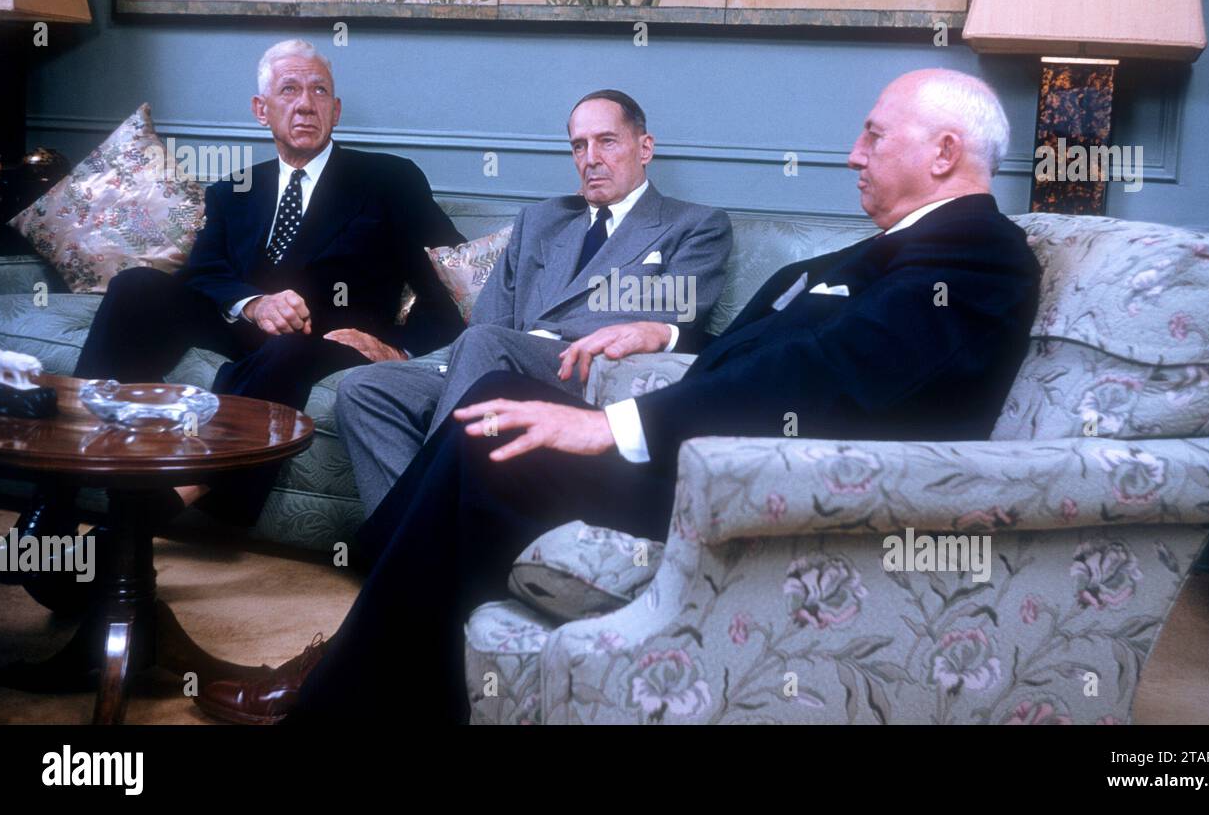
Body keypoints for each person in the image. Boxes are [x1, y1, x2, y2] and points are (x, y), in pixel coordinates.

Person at [194, 68, 1042, 724]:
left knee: (499, 437)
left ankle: (340, 696)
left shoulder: (977, 258)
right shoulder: (866, 255)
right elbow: (747, 353)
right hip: (713, 449)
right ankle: (391, 660)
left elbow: (826, 377)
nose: (853, 153)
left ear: (941, 151)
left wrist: (612, 425)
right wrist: (662, 342)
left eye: (873, 134)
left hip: (767, 488)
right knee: (495, 394)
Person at [72, 39, 465, 524]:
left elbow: (452, 282)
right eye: (289, 90)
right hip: (245, 327)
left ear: (335, 110)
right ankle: (66, 479)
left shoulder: (389, 180)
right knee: (136, 286)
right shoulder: (234, 188)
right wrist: (253, 303)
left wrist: (398, 351)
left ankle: (156, 509)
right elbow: (205, 272)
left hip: (328, 337)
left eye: (319, 91)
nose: (305, 104)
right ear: (262, 109)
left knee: (287, 351)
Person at [337, 89, 732, 519]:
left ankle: (417, 534)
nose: (591, 158)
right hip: (490, 361)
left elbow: (668, 318)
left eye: (607, 141)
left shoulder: (694, 225)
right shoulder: (541, 220)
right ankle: (416, 538)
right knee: (363, 388)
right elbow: (489, 319)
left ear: (645, 147)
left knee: (487, 344)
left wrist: (507, 343)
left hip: (584, 372)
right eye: (579, 146)